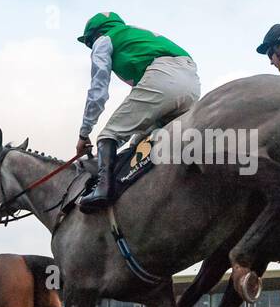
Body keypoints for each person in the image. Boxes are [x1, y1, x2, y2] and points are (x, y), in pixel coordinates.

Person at [75, 11, 201, 213]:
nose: (90, 47)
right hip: (191, 83)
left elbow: (98, 91)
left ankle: (103, 189)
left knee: (108, 134)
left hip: (163, 78)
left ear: (94, 36)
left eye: (88, 43)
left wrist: (84, 132)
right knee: (139, 143)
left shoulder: (103, 40)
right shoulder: (135, 36)